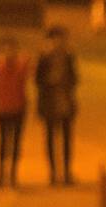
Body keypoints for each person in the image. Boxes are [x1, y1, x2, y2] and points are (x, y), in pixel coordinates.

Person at [35, 26, 78, 186]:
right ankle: (53, 173)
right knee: (50, 140)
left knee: (67, 140)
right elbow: (37, 81)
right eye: (56, 38)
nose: (59, 42)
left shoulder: (69, 57)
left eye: (62, 38)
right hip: (49, 105)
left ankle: (66, 172)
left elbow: (75, 79)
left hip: (65, 103)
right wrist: (50, 81)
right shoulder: (44, 58)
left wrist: (66, 82)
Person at [0, 36, 30, 189]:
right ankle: (0, 176)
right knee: (3, 142)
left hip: (18, 109)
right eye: (6, 49)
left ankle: (12, 175)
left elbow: (28, 70)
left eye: (12, 49)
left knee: (16, 143)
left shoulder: (20, 65)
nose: (9, 52)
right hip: (2, 109)